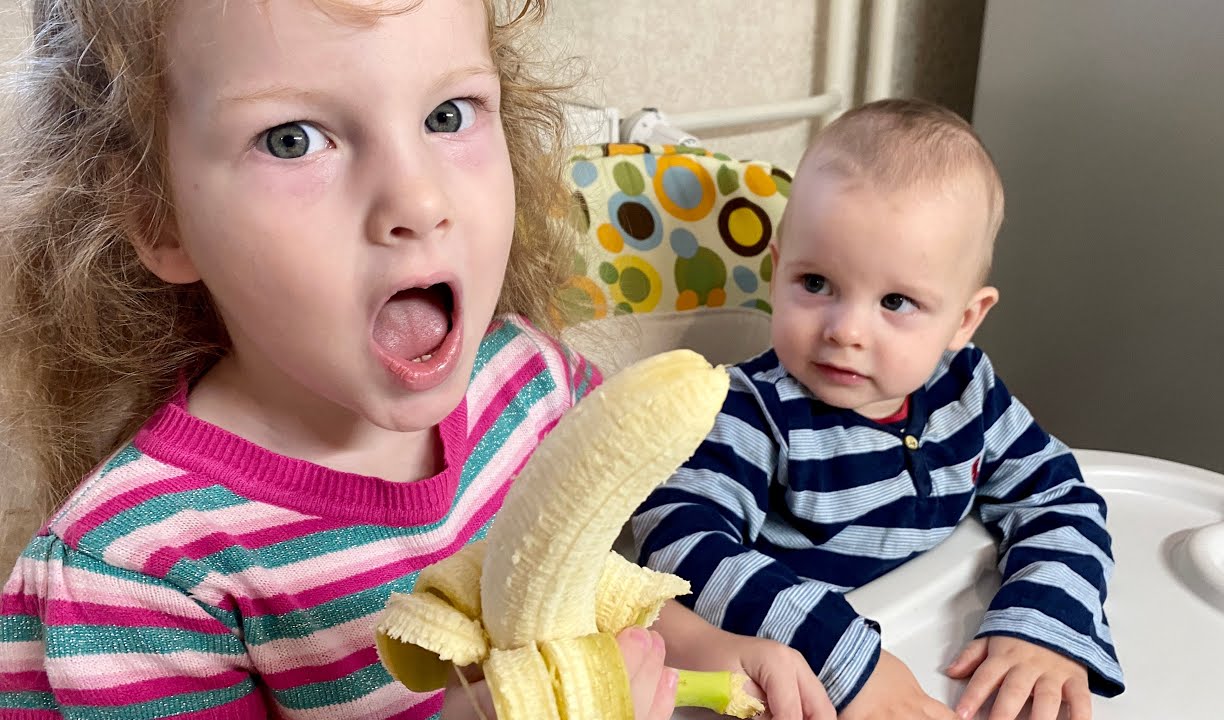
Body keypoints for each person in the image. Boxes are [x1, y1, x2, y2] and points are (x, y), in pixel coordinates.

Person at [0, 0, 700, 717]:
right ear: (157, 212)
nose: (419, 200)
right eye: (293, 139)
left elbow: (598, 588)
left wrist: (703, 651)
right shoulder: (136, 573)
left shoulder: (528, 384)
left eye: (449, 115)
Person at [633, 98, 1125, 720]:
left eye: (895, 301)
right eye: (816, 285)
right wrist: (839, 653)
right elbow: (677, 542)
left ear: (964, 320)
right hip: (813, 678)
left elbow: (1060, 499)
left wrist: (1043, 624)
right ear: (778, 271)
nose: (846, 330)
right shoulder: (748, 410)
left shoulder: (969, 394)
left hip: (942, 659)